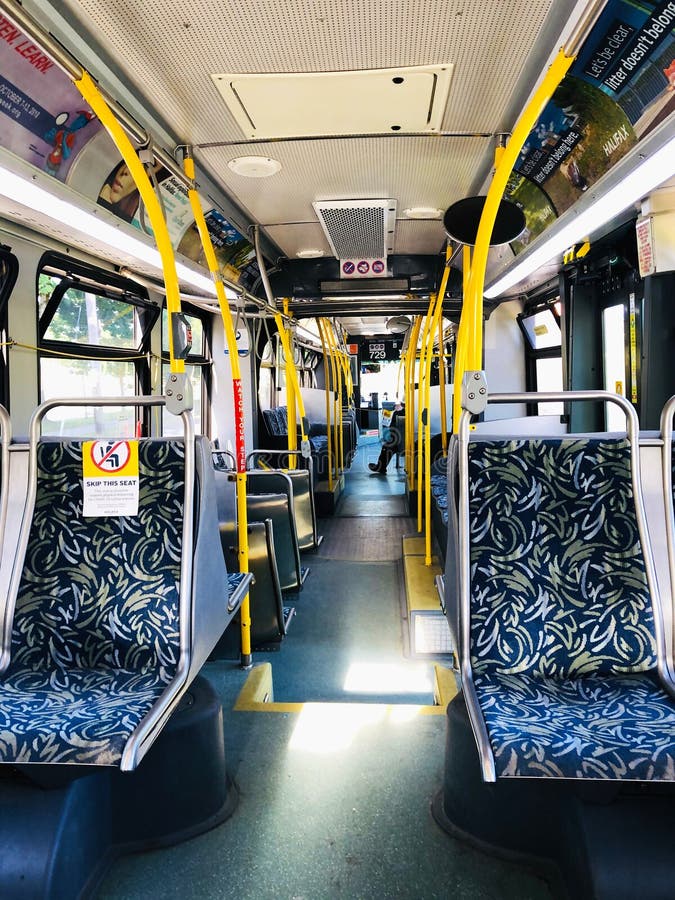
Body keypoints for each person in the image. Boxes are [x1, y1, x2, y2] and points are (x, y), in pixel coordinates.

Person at [369, 401, 404, 474]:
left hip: (400, 444)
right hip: (413, 442)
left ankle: (381, 467)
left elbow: (392, 430)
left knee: (386, 447)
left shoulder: (397, 414)